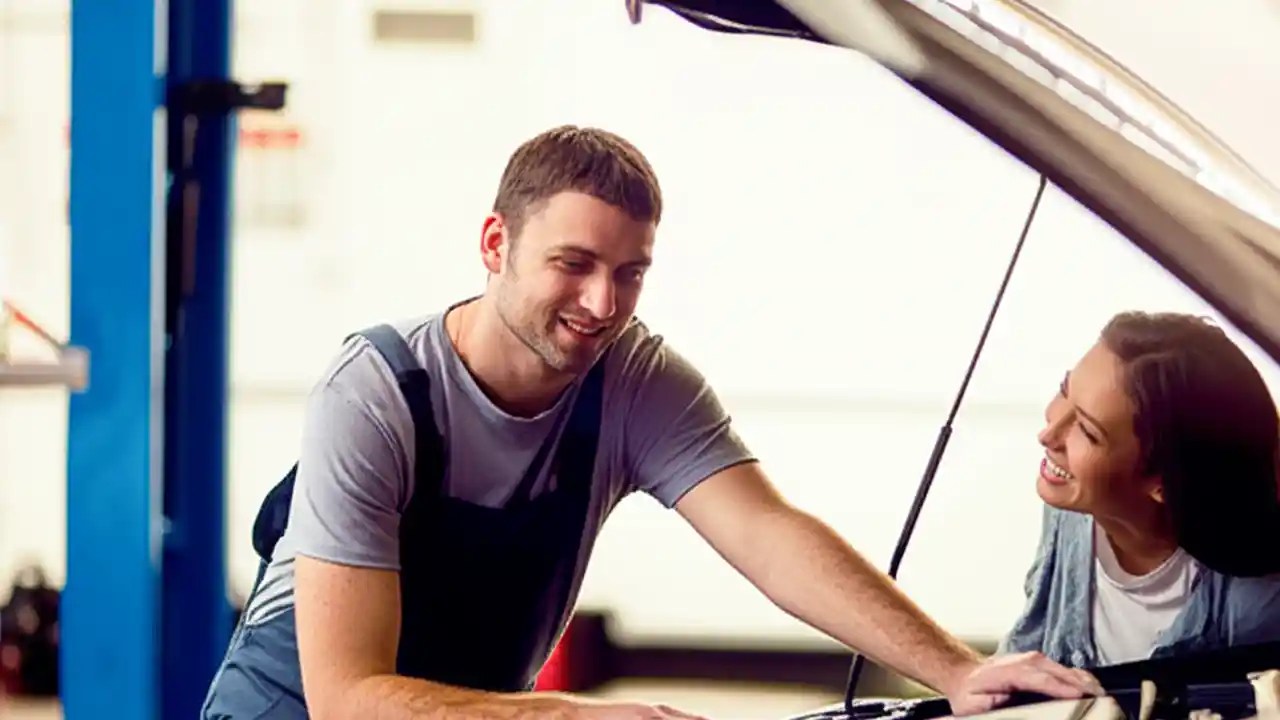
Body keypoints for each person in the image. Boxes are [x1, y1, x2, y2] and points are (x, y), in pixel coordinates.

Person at [202, 125, 1099, 719]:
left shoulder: (633, 381)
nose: (603, 303)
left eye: (630, 273)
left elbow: (772, 535)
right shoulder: (378, 394)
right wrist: (578, 716)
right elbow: (348, 695)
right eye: (574, 263)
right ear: (494, 244)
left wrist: (957, 670)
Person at [1001, 311, 1280, 669]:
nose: (1049, 435)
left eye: (1087, 432)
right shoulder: (1074, 506)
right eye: (1064, 390)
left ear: (1162, 482)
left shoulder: (1256, 604)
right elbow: (1029, 644)